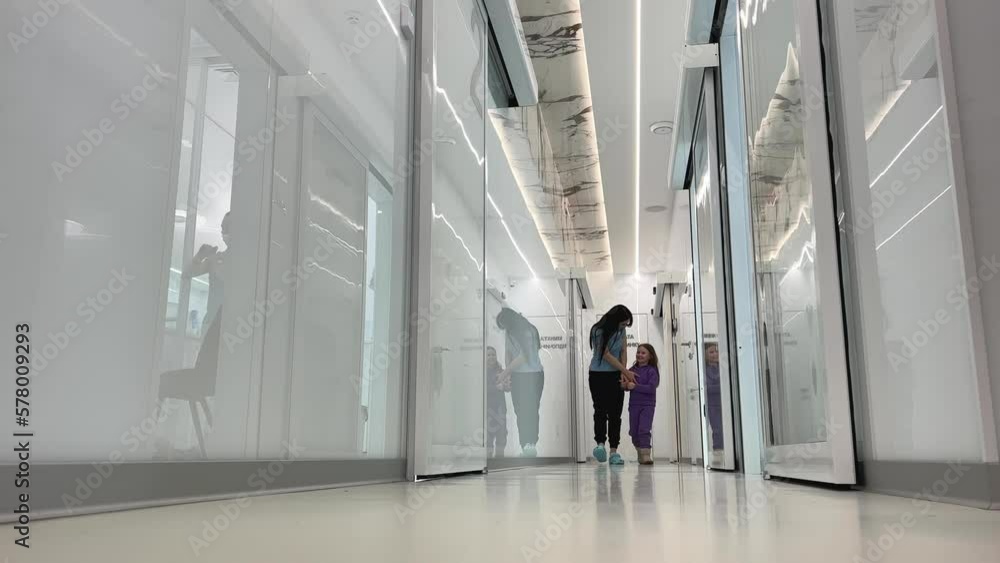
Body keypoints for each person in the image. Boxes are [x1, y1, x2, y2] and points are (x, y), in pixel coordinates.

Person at [588, 304, 635, 465]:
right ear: (614, 320)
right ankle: (600, 445)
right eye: (622, 324)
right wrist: (627, 372)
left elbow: (623, 351)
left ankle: (614, 451)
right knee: (600, 410)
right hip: (598, 375)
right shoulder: (598, 330)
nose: (624, 327)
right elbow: (606, 354)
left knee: (615, 414)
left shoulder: (621, 330)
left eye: (626, 325)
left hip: (615, 374)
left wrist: (623, 373)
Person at [496, 308, 544, 458]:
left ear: (511, 321)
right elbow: (508, 353)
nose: (505, 329)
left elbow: (525, 356)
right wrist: (508, 376)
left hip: (533, 376)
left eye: (505, 325)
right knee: (520, 412)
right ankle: (525, 446)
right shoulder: (509, 332)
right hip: (517, 376)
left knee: (531, 410)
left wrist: (504, 373)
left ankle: (531, 444)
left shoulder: (529, 331)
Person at [625, 343, 660, 465]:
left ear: (650, 356)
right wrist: (625, 386)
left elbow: (651, 388)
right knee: (634, 432)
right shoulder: (631, 370)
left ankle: (646, 454)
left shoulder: (652, 371)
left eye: (643, 353)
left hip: (648, 405)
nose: (640, 355)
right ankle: (640, 451)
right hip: (634, 405)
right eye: (638, 352)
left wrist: (635, 387)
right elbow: (625, 385)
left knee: (644, 429)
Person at [485, 346, 509, 458]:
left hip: (500, 411)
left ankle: (500, 463)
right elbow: (483, 389)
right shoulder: (481, 372)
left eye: (493, 354)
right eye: (488, 355)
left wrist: (506, 386)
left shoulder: (501, 371)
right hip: (486, 411)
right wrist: (497, 388)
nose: (491, 357)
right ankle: (488, 464)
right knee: (487, 439)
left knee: (502, 438)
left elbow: (508, 387)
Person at [704, 342, 724, 452]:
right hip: (713, 405)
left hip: (725, 403)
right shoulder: (705, 370)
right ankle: (718, 452)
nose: (715, 354)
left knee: (728, 429)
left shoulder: (723, 368)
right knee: (718, 430)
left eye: (716, 351)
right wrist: (723, 387)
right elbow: (709, 388)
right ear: (705, 355)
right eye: (711, 352)